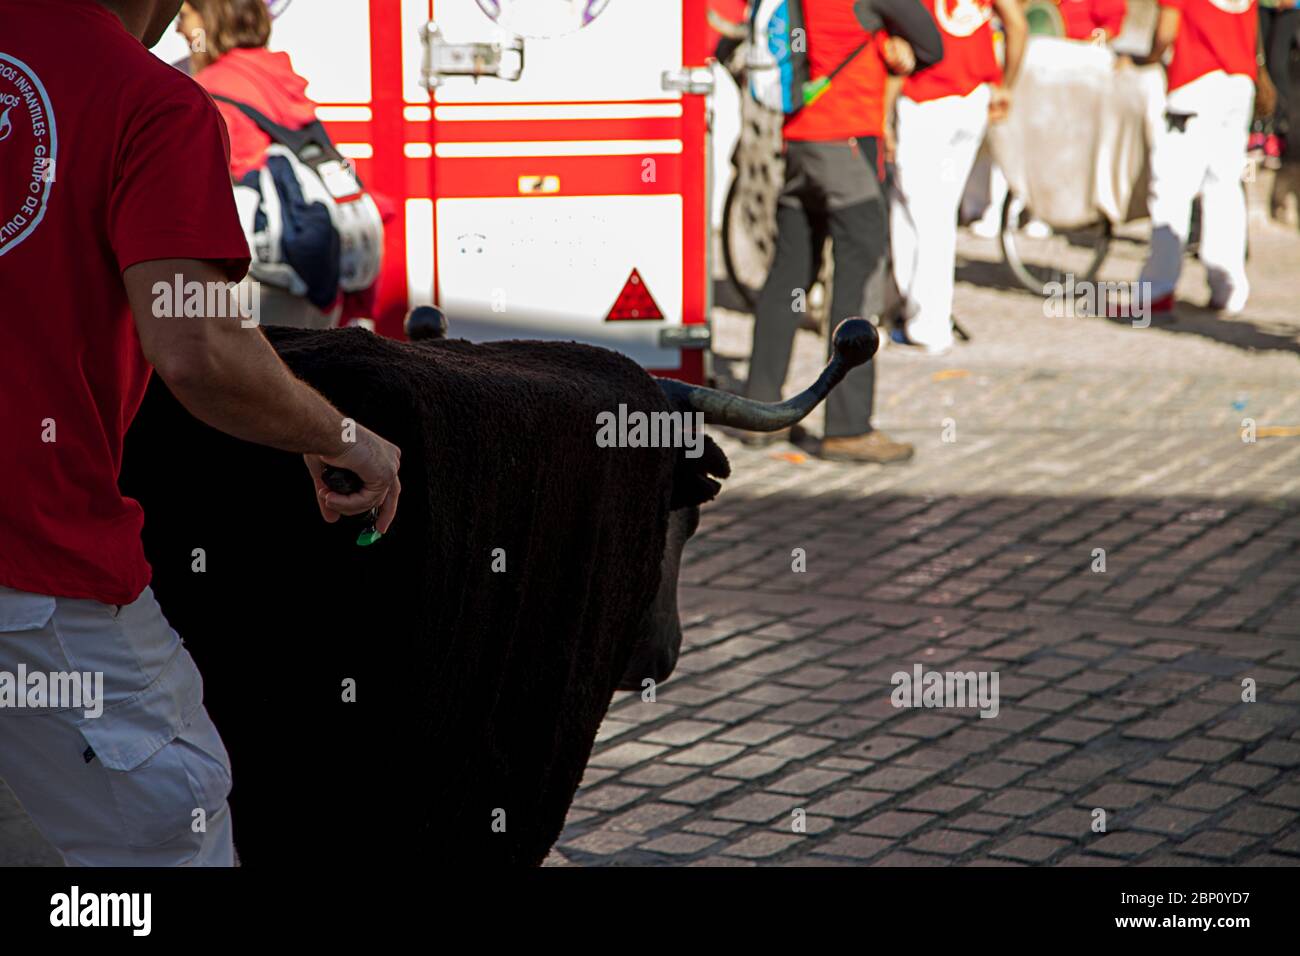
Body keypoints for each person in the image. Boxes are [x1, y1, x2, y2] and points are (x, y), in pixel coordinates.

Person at [0, 0, 401, 866]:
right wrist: (340, 435)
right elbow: (200, 350)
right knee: (169, 823)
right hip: (36, 564)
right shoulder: (149, 100)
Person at [742, 0, 943, 464]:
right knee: (859, 282)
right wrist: (894, 49)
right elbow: (931, 45)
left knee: (788, 276)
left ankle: (758, 410)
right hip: (849, 142)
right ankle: (848, 427)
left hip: (798, 140)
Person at [178, 0, 389, 329]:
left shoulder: (213, 89)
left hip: (264, 288)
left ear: (210, 19)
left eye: (185, 16)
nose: (179, 28)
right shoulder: (275, 73)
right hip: (318, 278)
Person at [888, 0, 1027, 354]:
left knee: (920, 212)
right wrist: (1006, 85)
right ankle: (922, 312)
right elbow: (1017, 23)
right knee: (935, 211)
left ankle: (926, 321)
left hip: (927, 96)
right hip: (972, 97)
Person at [1138, 0, 1258, 315]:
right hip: (1239, 80)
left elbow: (1166, 28)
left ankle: (1157, 289)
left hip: (1197, 78)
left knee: (1171, 189)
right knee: (1224, 186)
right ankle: (1228, 286)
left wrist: (1147, 59)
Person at [1252, 0, 1298, 167]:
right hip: (1261, 5)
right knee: (1258, 64)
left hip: (1290, 8)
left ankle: (1277, 131)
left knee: (1277, 65)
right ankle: (1257, 128)